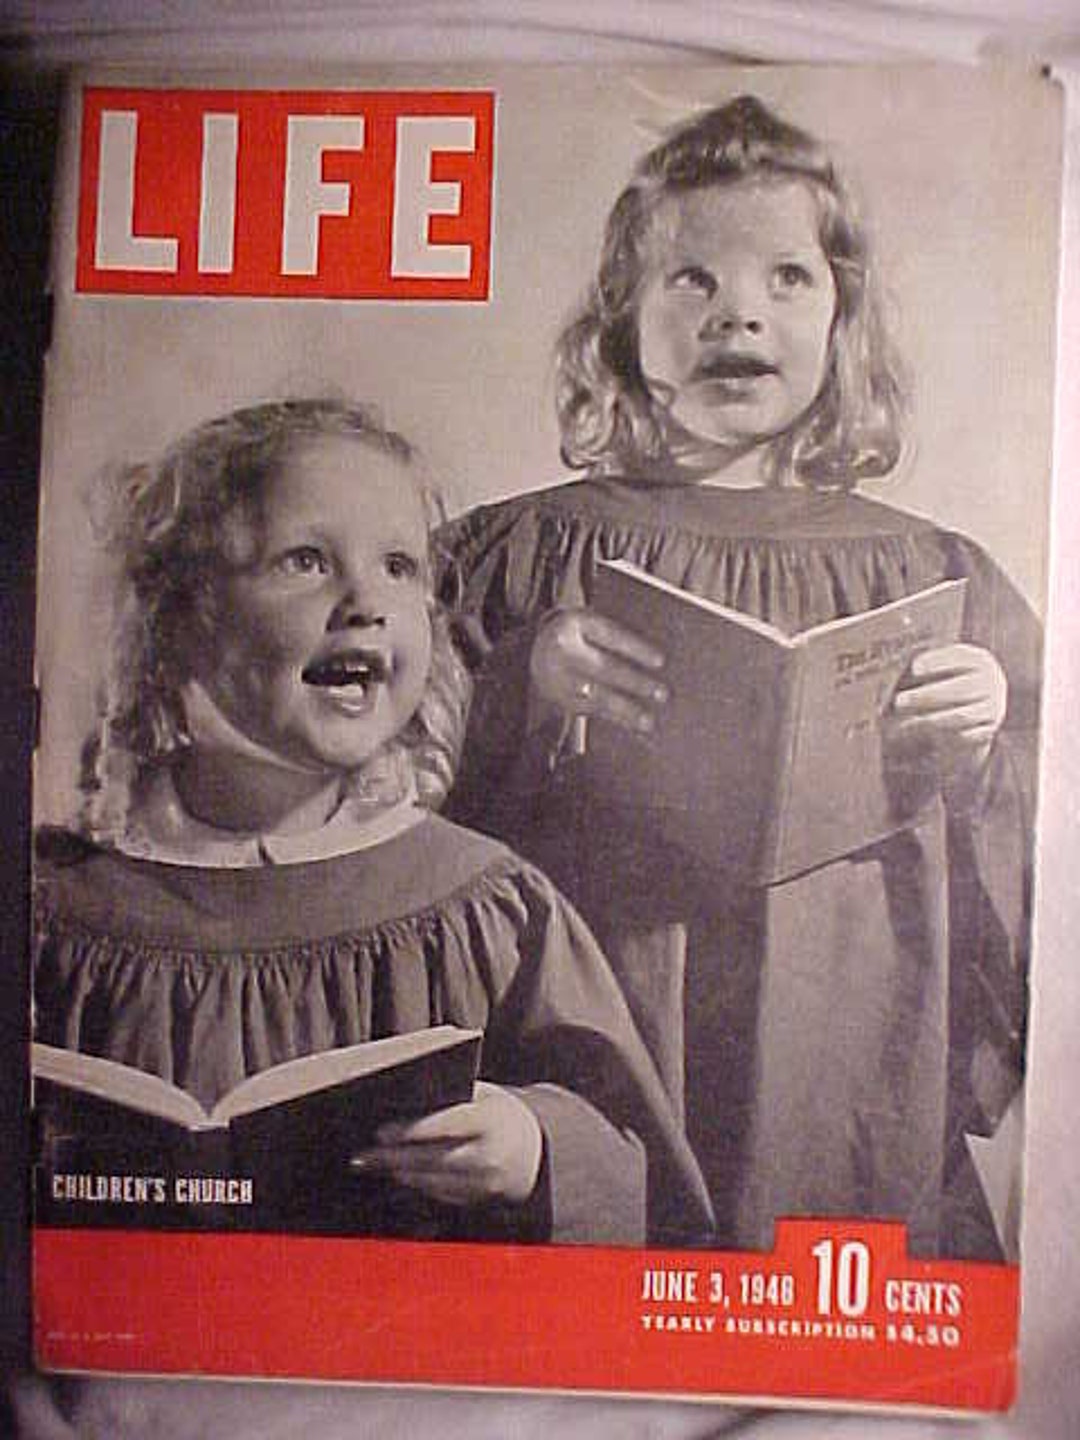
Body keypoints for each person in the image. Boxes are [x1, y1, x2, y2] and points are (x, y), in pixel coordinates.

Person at [441, 96, 1039, 1259]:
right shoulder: (516, 556)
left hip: (851, 1059)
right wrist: (516, 685)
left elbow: (1044, 851)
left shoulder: (934, 571)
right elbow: (368, 794)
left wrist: (993, 735)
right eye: (693, 282)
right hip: (594, 1029)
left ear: (841, 314)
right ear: (624, 314)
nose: (740, 317)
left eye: (786, 280)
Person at [32, 396, 712, 1249]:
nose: (366, 602)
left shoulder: (488, 908)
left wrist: (533, 1144)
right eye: (306, 560)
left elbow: (644, 1177)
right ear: (181, 615)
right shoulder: (58, 909)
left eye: (400, 566)